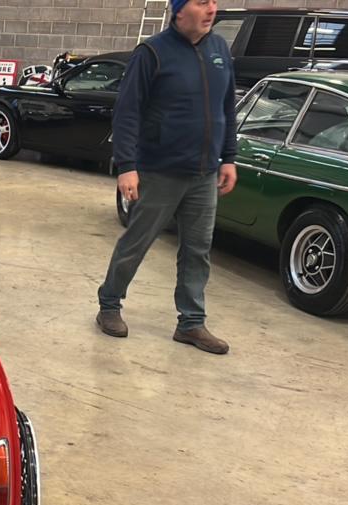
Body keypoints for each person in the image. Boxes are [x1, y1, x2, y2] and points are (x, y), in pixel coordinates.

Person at [95, 0, 237, 354]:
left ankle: (191, 323)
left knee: (198, 249)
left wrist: (229, 157)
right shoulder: (152, 53)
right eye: (201, 2)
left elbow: (227, 107)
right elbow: (127, 112)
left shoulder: (219, 49)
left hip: (204, 172)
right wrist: (126, 165)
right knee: (137, 243)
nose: (211, 9)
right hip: (160, 170)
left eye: (213, 1)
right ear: (178, 10)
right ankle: (109, 305)